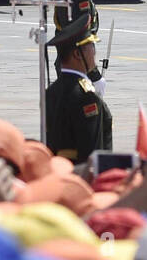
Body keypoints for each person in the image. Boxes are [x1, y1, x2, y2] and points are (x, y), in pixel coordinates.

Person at [45, 12, 112, 163]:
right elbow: (92, 151)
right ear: (77, 54)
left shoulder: (51, 91)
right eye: (90, 47)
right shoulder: (86, 96)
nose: (94, 52)